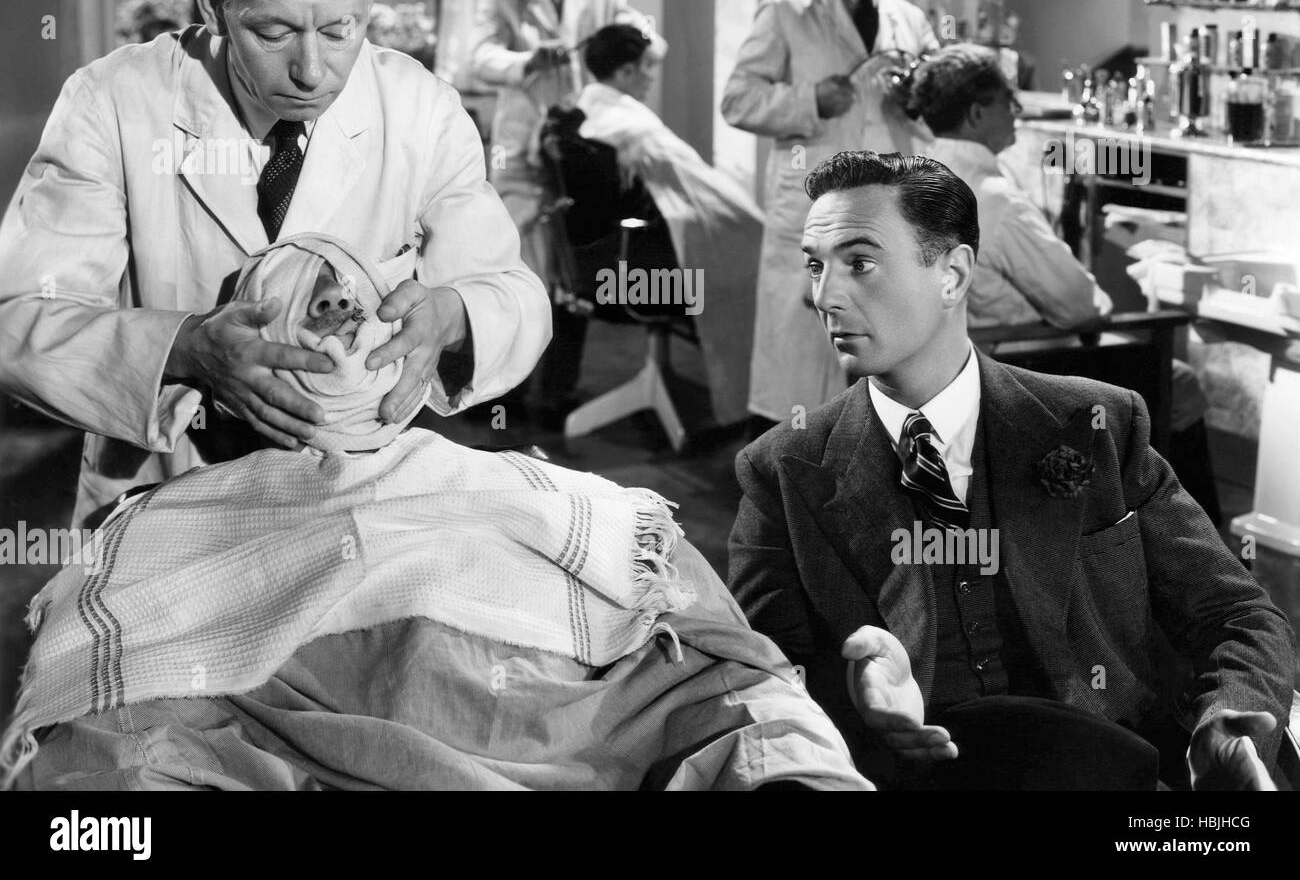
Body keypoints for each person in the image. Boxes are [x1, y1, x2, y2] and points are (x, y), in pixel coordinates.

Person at [2, 234, 870, 793]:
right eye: (307, 300)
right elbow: (95, 721)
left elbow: (728, 673)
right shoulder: (163, 525)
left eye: (353, 295)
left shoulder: (556, 498)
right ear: (229, 384)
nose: (343, 309)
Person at [0, 0, 550, 527]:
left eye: (340, 28)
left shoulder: (421, 109)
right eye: (275, 30)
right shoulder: (113, 103)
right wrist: (186, 348)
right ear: (212, 2)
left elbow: (516, 294)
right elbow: (20, 316)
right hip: (171, 486)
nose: (313, 70)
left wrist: (454, 313)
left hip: (356, 483)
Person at [727, 151, 1294, 791]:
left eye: (859, 262)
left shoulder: (1099, 423)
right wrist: (853, 698)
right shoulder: (780, 469)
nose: (822, 295)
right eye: (814, 265)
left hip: (1118, 775)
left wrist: (1231, 723)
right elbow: (764, 685)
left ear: (952, 275)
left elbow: (1238, 615)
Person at [909, 44, 1220, 523]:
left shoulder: (912, 183)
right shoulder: (994, 201)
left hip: (941, 369)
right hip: (1018, 366)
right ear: (975, 114)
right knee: (1179, 383)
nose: (1016, 113)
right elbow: (1082, 308)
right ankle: (1195, 549)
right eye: (1006, 103)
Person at [721, 0, 940, 434]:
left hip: (888, 216)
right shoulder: (789, 11)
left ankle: (865, 500)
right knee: (801, 383)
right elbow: (737, 100)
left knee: (886, 364)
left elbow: (937, 105)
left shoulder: (909, 20)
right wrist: (808, 101)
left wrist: (916, 99)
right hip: (812, 212)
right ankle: (779, 502)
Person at [471, 0, 663, 419]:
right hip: (524, 152)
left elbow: (645, 40)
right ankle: (499, 391)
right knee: (513, 268)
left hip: (580, 153)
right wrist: (528, 61)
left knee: (573, 273)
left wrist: (633, 41)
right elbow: (479, 58)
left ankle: (557, 393)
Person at [573, 24, 764, 427]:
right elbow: (704, 193)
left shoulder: (585, 114)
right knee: (757, 255)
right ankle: (753, 405)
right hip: (642, 271)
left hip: (601, 264)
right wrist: (755, 226)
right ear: (624, 73)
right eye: (645, 68)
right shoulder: (632, 127)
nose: (651, 77)